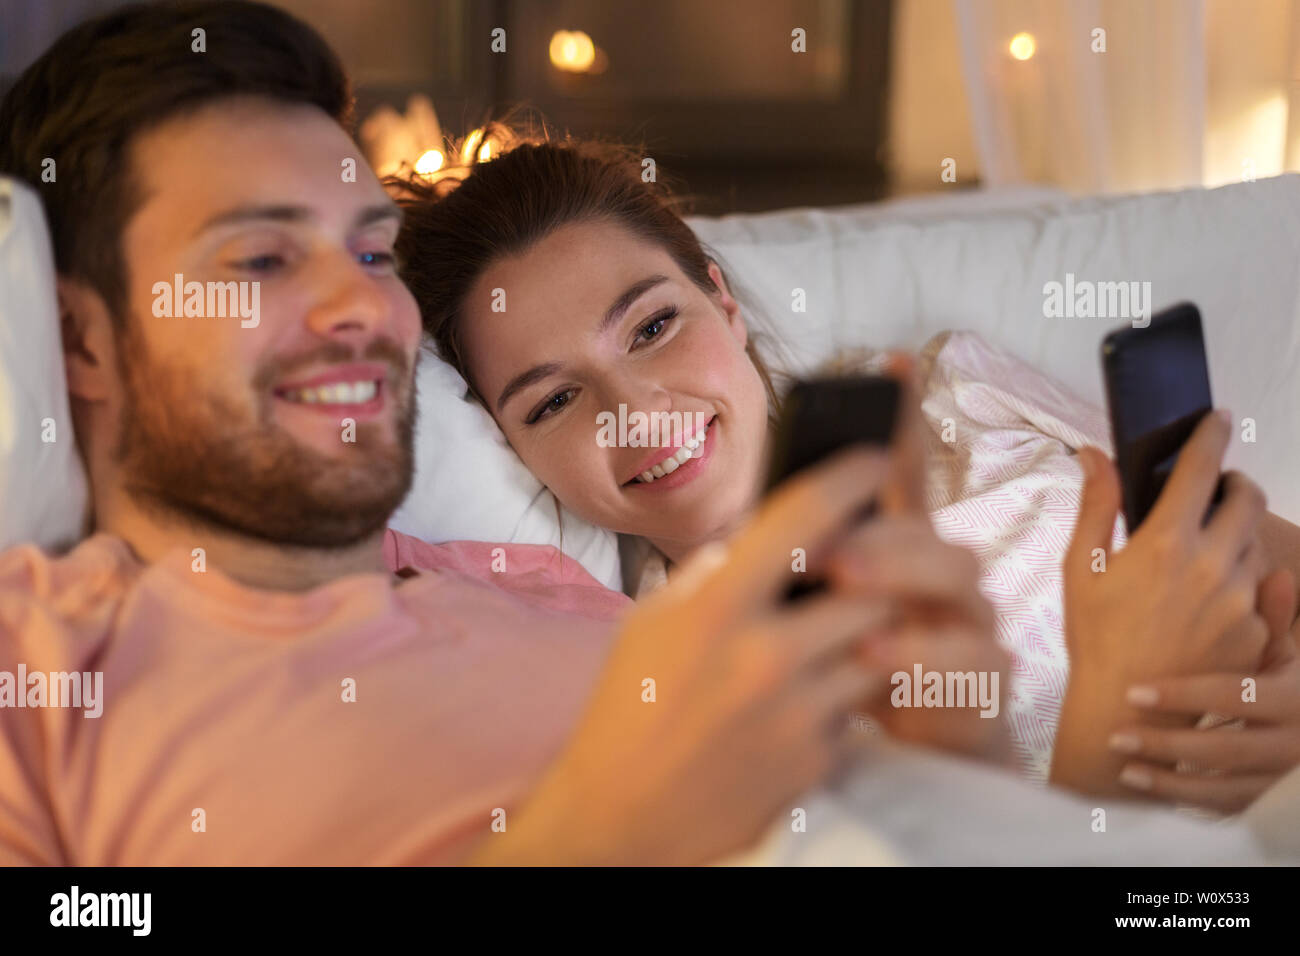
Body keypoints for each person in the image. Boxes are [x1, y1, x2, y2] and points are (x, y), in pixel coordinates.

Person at [0, 0, 1009, 865]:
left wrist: (978, 760)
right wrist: (592, 839)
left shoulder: (554, 593)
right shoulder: (43, 671)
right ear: (81, 339)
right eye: (262, 258)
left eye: (372, 252)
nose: (360, 307)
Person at [393, 138, 1300, 809]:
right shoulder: (669, 676)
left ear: (721, 298)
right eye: (553, 403)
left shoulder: (957, 388)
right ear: (512, 448)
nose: (633, 410)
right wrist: (1126, 753)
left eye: (652, 327)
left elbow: (1265, 544)